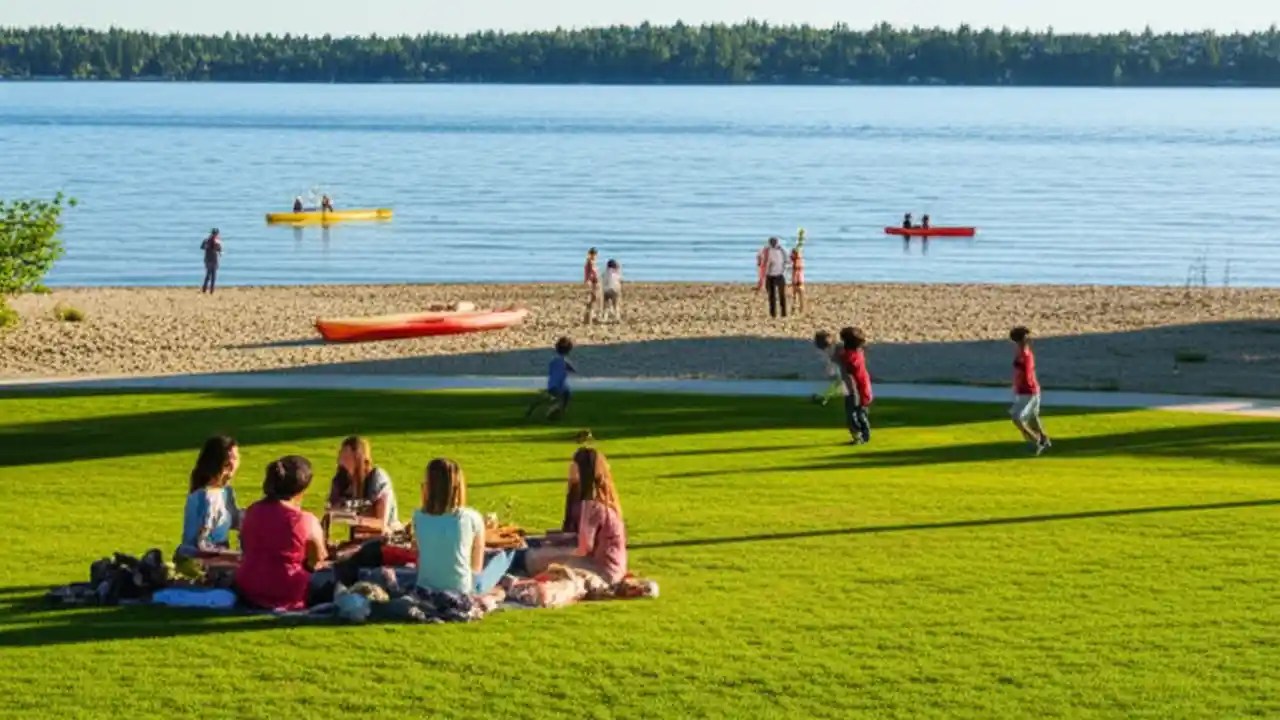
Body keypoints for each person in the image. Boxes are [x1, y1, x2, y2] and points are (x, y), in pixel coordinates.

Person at [236, 456, 330, 610]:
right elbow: (318, 559)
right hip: (287, 590)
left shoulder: (253, 511)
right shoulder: (306, 521)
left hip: (249, 585)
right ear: (301, 490)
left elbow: (246, 546)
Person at [525, 448, 628, 585]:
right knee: (534, 549)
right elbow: (575, 536)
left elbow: (583, 548)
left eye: (574, 464)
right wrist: (547, 539)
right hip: (601, 563)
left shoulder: (593, 506)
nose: (569, 468)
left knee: (531, 558)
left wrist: (552, 551)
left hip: (603, 570)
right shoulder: (584, 500)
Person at [412, 458, 513, 595]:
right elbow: (476, 568)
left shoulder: (419, 517)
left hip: (425, 588)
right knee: (507, 554)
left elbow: (419, 556)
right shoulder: (471, 517)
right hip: (463, 591)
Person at [176, 435, 242, 560]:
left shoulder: (227, 492)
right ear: (226, 463)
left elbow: (235, 520)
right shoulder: (204, 497)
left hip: (220, 554)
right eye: (235, 457)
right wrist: (233, 556)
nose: (238, 461)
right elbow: (200, 545)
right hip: (201, 560)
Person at [327, 436, 401, 534]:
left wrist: (353, 520)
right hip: (355, 538)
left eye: (345, 451)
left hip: (383, 538)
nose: (340, 455)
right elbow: (331, 513)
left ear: (358, 455)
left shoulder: (377, 478)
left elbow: (381, 524)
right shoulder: (340, 481)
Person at [1010, 326, 1052, 455]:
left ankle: (1035, 442)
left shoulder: (1024, 354)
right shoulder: (1023, 352)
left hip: (1027, 391)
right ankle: (1044, 440)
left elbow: (1026, 374)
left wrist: (1021, 386)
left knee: (1016, 418)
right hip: (1031, 390)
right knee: (1033, 418)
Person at [526, 336, 576, 421]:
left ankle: (556, 411)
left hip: (554, 384)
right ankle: (552, 413)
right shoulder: (565, 361)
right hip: (559, 385)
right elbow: (572, 370)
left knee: (560, 396)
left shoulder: (554, 360)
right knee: (560, 399)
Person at [839, 326, 873, 445]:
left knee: (855, 414)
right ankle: (861, 436)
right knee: (859, 413)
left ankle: (861, 435)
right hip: (860, 387)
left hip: (857, 389)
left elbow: (848, 367)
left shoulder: (850, 357)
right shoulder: (858, 353)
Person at [756, 237, 788, 318]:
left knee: (781, 296)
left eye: (774, 242)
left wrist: (784, 269)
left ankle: (783, 313)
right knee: (772, 296)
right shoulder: (766, 250)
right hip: (770, 276)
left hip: (779, 275)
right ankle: (773, 314)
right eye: (772, 242)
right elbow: (759, 258)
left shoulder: (782, 250)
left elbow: (787, 260)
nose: (773, 243)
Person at [811, 331, 845, 407]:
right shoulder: (835, 348)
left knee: (840, 384)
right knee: (839, 383)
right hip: (844, 366)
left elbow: (837, 359)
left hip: (846, 367)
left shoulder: (836, 348)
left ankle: (824, 397)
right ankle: (824, 397)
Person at [200, 229, 221, 294]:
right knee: (211, 276)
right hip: (212, 260)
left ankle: (206, 290)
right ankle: (209, 291)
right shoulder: (213, 241)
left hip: (209, 260)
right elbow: (219, 249)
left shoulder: (207, 240)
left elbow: (202, 247)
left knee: (209, 276)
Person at [790, 229, 807, 315]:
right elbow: (799, 247)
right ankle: (797, 308)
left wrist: (801, 236)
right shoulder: (796, 260)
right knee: (796, 293)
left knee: (798, 293)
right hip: (797, 275)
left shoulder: (798, 259)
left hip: (798, 275)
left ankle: (800, 308)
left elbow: (799, 246)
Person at [583, 248, 601, 324]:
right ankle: (589, 317)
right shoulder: (590, 262)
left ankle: (589, 317)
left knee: (593, 299)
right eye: (595, 255)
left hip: (592, 281)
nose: (595, 256)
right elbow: (592, 273)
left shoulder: (589, 262)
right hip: (592, 282)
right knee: (593, 299)